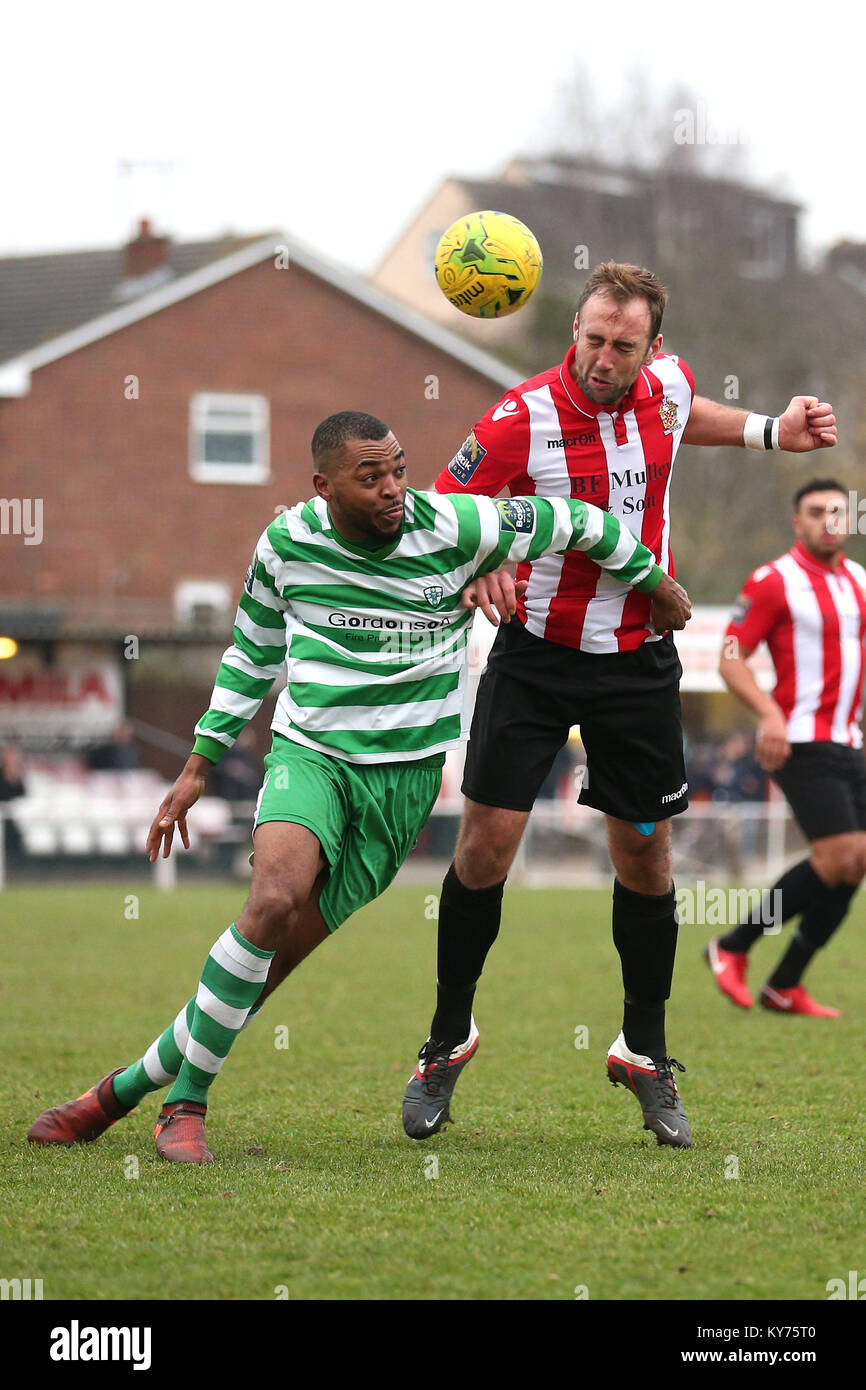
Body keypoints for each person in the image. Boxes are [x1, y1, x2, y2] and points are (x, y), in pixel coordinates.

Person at [27, 410, 688, 1164]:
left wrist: (654, 582)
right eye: (371, 477)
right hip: (310, 756)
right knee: (271, 899)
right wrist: (197, 768)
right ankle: (187, 1104)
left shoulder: (455, 525)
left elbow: (575, 520)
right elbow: (250, 655)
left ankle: (116, 1093)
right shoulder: (285, 544)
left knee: (265, 966)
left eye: (400, 469)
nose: (393, 489)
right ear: (324, 485)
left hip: (401, 787)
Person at [401, 261, 837, 1151]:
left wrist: (769, 431)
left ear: (654, 347)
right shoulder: (519, 417)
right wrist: (484, 556)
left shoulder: (667, 387)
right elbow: (450, 504)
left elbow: (688, 418)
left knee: (644, 852)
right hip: (536, 655)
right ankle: (445, 1043)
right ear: (579, 327)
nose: (603, 358)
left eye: (622, 345)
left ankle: (645, 1050)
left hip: (639, 657)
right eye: (593, 339)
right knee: (485, 846)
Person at [706, 480, 866, 1016]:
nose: (828, 520)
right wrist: (769, 713)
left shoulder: (860, 583)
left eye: (837, 512)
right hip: (798, 738)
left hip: (851, 741)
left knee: (856, 861)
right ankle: (732, 947)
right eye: (816, 512)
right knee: (839, 854)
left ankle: (785, 984)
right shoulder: (773, 581)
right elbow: (730, 656)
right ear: (797, 522)